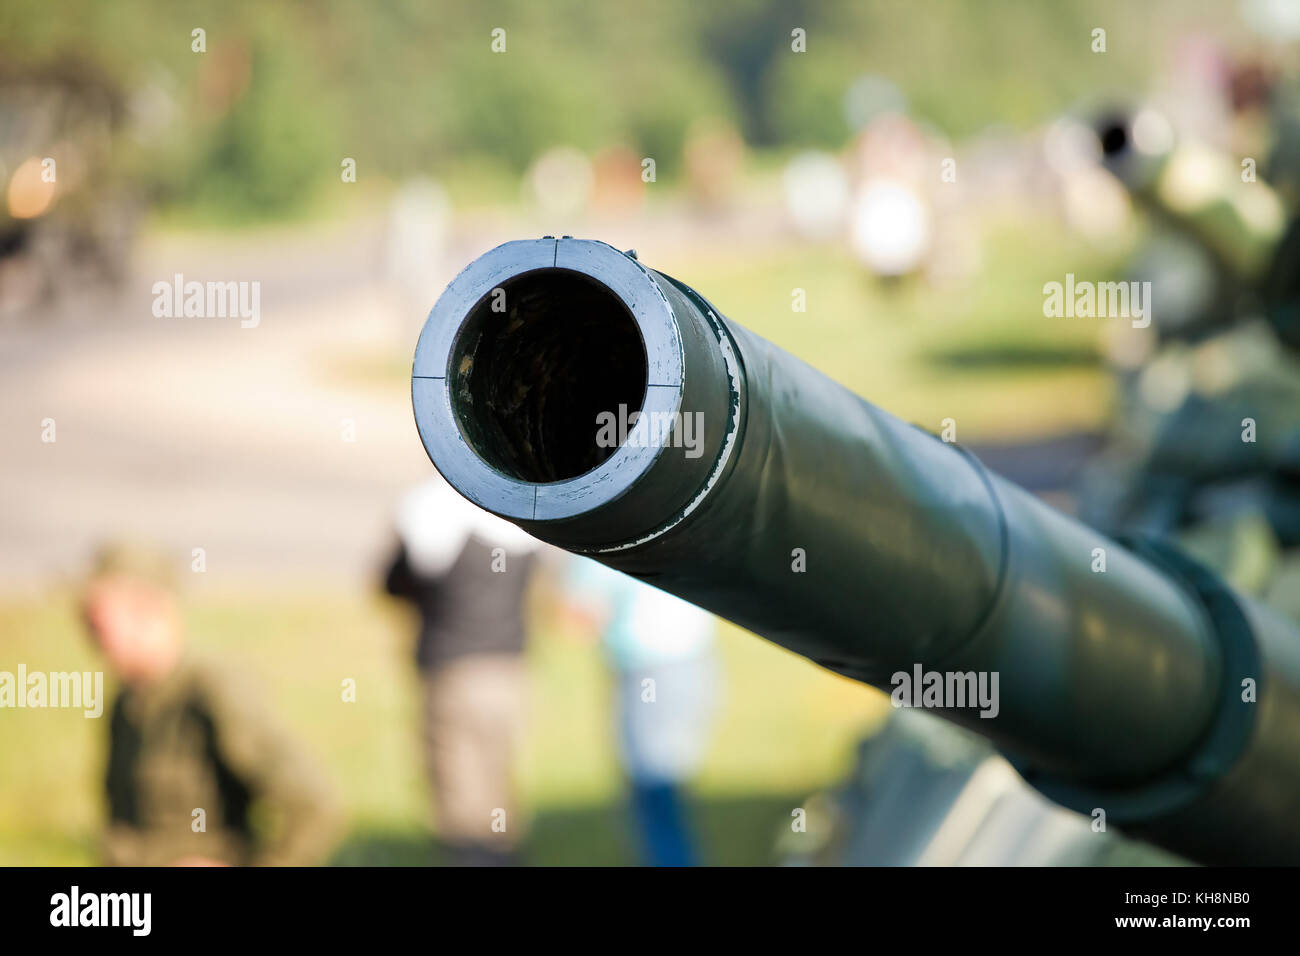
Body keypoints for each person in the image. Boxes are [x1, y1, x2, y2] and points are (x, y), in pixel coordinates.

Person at [82, 543, 341, 866]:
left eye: (97, 621)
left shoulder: (212, 689)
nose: (87, 631)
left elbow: (313, 804)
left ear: (146, 608)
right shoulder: (127, 703)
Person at [383, 475, 540, 866]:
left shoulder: (431, 515)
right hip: (509, 671)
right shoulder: (520, 518)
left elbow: (390, 583)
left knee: (461, 799)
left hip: (453, 671)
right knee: (498, 788)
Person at [564, 557, 719, 866]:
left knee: (655, 795)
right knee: (666, 791)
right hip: (696, 661)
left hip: (646, 673)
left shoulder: (604, 536)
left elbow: (578, 616)